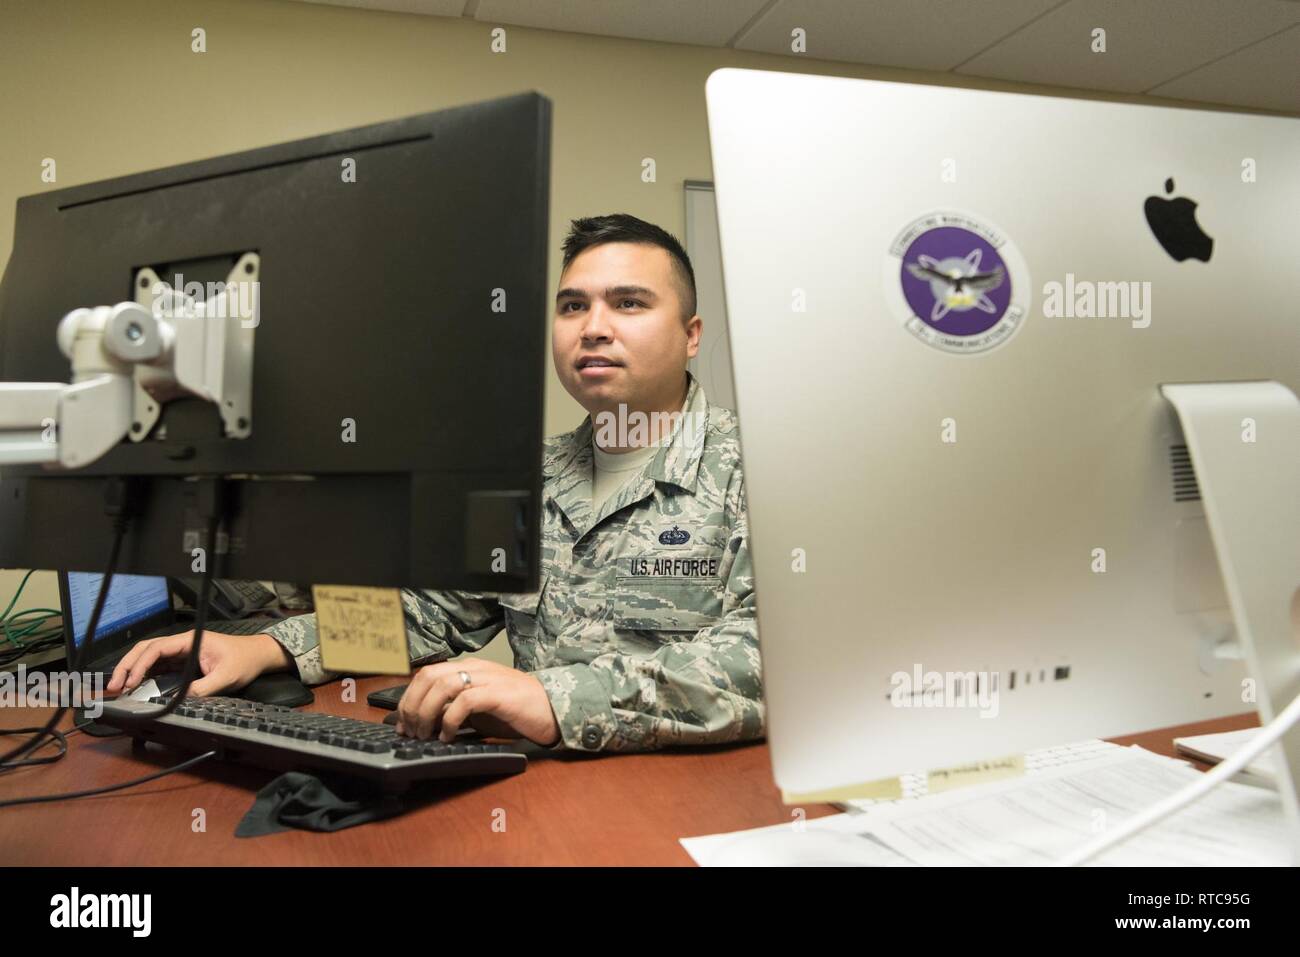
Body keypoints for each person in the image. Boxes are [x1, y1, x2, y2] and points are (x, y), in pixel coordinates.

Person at [107, 214, 763, 753]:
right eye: (572, 306)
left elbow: (766, 657)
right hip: (540, 797)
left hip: (687, 809)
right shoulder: (528, 477)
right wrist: (267, 647)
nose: (593, 327)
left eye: (628, 303)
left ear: (691, 335)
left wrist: (556, 698)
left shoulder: (757, 470)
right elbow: (433, 612)